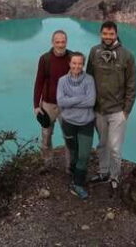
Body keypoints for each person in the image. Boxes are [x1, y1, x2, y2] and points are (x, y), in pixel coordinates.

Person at [86, 21, 136, 191]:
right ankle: (103, 172)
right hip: (99, 109)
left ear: (116, 34)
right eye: (105, 34)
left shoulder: (127, 56)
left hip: (117, 111)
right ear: (101, 34)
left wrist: (126, 111)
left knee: (115, 148)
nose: (108, 37)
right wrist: (89, 104)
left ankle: (114, 177)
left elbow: (132, 85)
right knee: (102, 144)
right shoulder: (94, 52)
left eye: (111, 34)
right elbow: (89, 79)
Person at [56, 52, 96, 199]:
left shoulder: (89, 80)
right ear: (69, 64)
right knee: (73, 152)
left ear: (83, 64)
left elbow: (91, 101)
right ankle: (75, 175)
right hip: (68, 123)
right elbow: (61, 101)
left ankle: (78, 184)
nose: (77, 66)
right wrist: (81, 98)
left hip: (86, 123)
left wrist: (70, 100)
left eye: (80, 63)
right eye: (74, 63)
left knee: (84, 154)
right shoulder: (62, 81)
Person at [33, 30, 73, 169]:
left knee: (69, 137)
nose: (60, 45)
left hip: (67, 105)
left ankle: (70, 167)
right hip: (48, 104)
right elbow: (39, 82)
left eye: (63, 42)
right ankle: (47, 163)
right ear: (52, 42)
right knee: (46, 136)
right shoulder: (45, 59)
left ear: (66, 42)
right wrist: (36, 105)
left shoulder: (72, 57)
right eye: (57, 42)